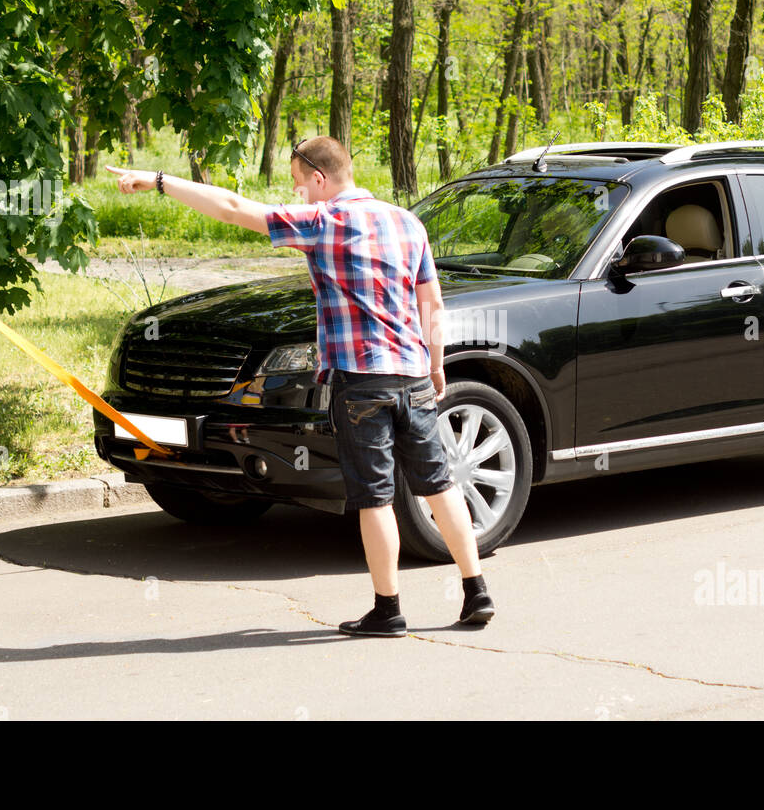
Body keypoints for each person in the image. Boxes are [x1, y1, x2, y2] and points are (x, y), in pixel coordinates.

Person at [106, 136, 494, 637]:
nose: (296, 193)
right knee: (439, 485)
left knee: (375, 498)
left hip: (361, 382)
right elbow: (433, 307)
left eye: (297, 182)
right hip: (413, 374)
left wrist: (160, 181)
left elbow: (230, 208)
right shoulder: (407, 223)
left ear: (320, 178)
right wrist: (436, 367)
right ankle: (476, 589)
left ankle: (388, 608)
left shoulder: (324, 223)